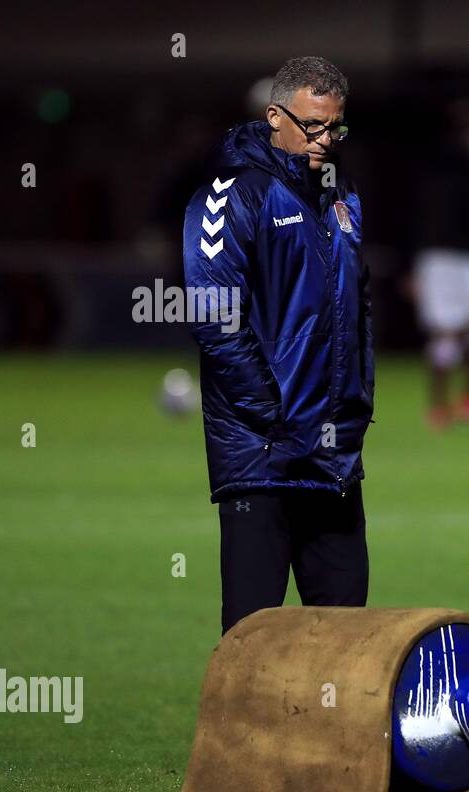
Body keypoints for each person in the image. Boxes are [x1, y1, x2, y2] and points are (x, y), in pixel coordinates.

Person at [182, 56, 374, 634]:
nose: (324, 140)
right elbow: (214, 316)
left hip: (333, 453)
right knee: (251, 641)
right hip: (261, 454)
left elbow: (357, 309)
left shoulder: (343, 196)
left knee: (344, 642)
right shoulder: (230, 194)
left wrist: (354, 407)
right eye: (311, 125)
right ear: (274, 115)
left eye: (335, 128)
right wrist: (276, 416)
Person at [410, 99, 469, 429]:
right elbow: (420, 217)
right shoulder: (441, 167)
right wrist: (414, 265)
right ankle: (438, 407)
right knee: (445, 332)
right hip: (441, 259)